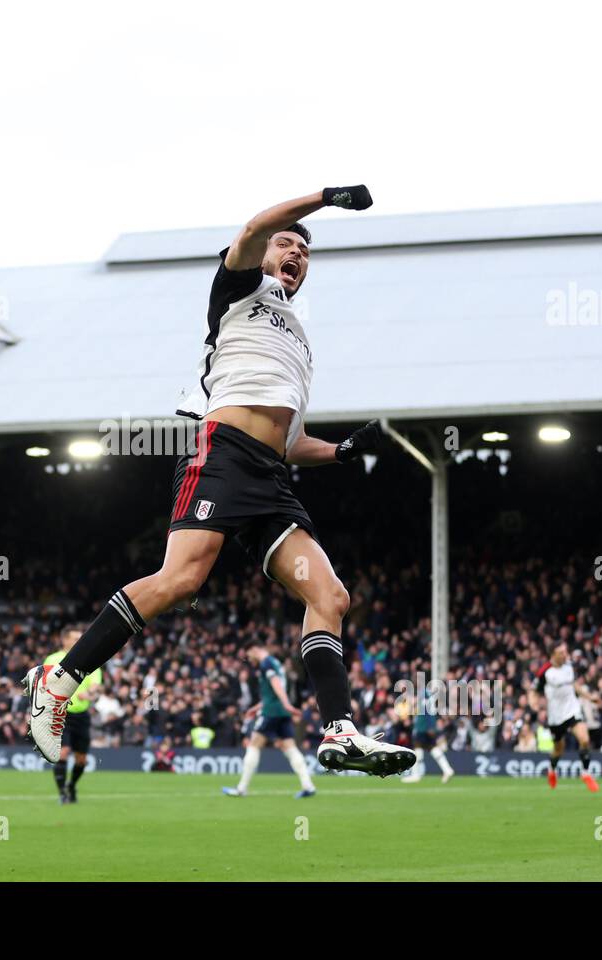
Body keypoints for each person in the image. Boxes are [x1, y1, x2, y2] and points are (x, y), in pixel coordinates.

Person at [24, 186, 414, 780]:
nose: (295, 253)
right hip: (220, 453)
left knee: (330, 596)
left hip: (269, 474)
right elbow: (259, 221)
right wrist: (326, 197)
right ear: (259, 253)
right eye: (286, 245)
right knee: (181, 580)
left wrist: (343, 451)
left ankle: (340, 733)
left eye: (304, 252)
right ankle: (58, 680)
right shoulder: (237, 290)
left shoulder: (300, 343)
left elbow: (289, 441)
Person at [222, 646, 316, 798]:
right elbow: (273, 692)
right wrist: (259, 706)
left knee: (254, 744)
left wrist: (286, 704)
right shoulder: (275, 663)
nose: (249, 659)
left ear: (254, 649)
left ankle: (241, 788)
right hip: (280, 711)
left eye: (248, 655)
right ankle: (308, 786)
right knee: (290, 748)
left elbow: (276, 684)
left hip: (272, 712)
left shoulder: (266, 663)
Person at [43, 626, 101, 804]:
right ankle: (62, 794)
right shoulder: (53, 660)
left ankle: (71, 785)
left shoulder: (90, 659)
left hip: (81, 715)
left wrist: (90, 694)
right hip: (60, 713)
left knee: (81, 759)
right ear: (64, 640)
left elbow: (95, 689)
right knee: (63, 753)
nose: (79, 641)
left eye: (80, 637)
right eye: (75, 638)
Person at [532, 643, 599, 792]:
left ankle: (586, 773)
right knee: (558, 749)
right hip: (555, 716)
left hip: (572, 710)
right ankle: (552, 769)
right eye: (561, 652)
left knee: (585, 739)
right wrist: (534, 704)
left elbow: (574, 685)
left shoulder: (568, 666)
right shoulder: (545, 671)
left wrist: (589, 697)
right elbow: (533, 690)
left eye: (565, 651)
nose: (565, 654)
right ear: (553, 655)